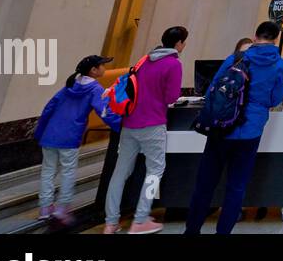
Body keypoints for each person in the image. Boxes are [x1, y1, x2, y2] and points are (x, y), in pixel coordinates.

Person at [184, 21, 283, 235]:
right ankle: (223, 232)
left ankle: (191, 230)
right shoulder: (279, 65)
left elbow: (214, 86)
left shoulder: (237, 58)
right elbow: (276, 98)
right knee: (236, 186)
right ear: (276, 39)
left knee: (205, 183)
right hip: (251, 130)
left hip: (222, 128)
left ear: (255, 35)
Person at [104, 26, 187, 234]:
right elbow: (171, 98)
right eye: (183, 42)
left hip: (129, 123)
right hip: (153, 124)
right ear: (178, 44)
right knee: (155, 170)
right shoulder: (173, 64)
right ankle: (140, 220)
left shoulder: (144, 60)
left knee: (120, 172)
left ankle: (110, 222)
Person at [35, 55, 122, 226]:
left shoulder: (69, 86)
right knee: (67, 172)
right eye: (102, 66)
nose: (105, 68)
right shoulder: (95, 89)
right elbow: (104, 111)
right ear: (93, 70)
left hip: (50, 135)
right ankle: (62, 208)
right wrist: (120, 125)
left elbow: (48, 108)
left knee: (48, 172)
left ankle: (44, 209)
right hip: (70, 136)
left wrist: (40, 132)